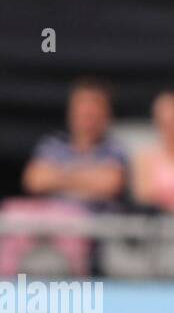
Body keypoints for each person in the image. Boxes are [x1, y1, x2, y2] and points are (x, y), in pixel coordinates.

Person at [22, 77, 128, 213]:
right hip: (49, 218)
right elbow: (34, 180)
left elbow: (110, 184)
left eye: (92, 111)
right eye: (81, 108)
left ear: (107, 114)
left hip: (93, 223)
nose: (87, 114)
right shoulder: (52, 144)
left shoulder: (115, 149)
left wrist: (57, 176)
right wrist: (87, 178)